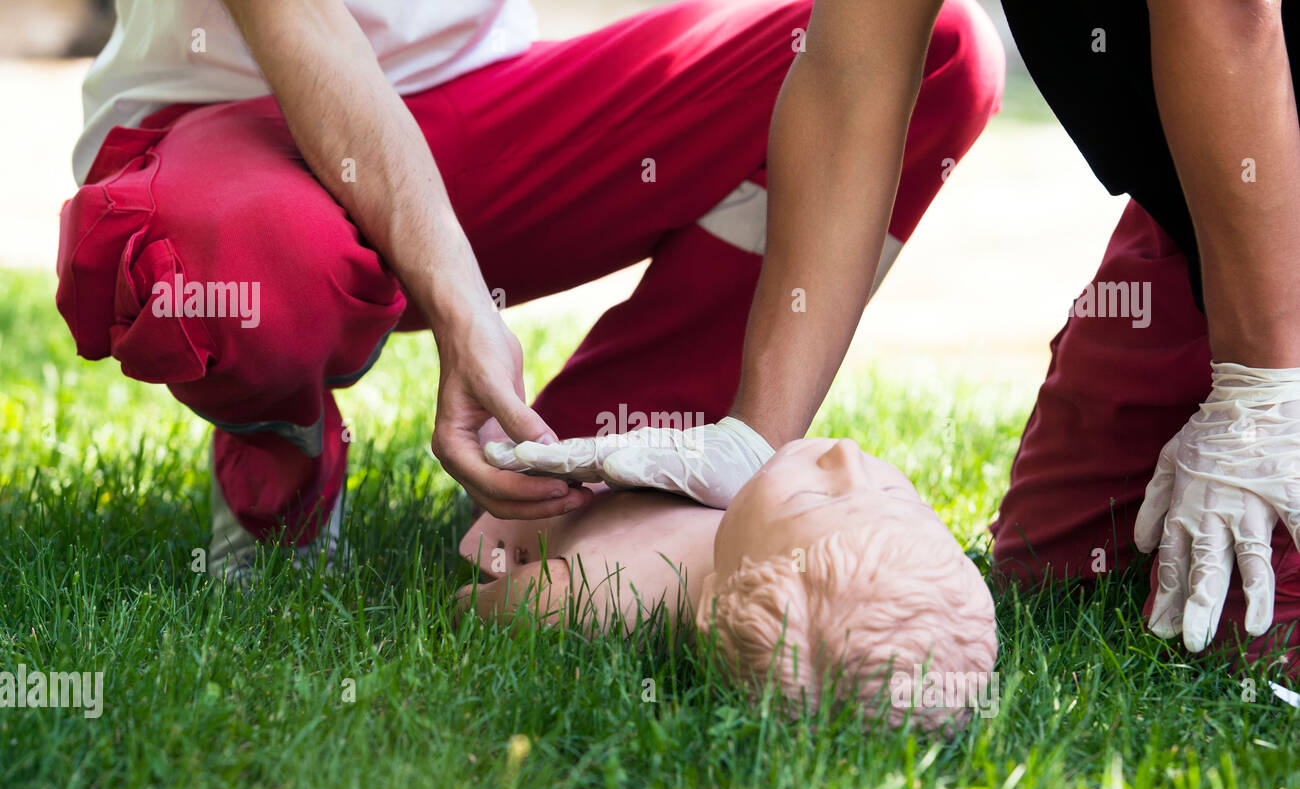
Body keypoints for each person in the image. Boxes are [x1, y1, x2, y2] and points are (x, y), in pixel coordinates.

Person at [53, 0, 1005, 581]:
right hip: (227, 137)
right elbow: (299, 21)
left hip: (477, 107)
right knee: (244, 262)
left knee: (941, 49)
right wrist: (468, 307)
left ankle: (583, 475)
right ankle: (278, 451)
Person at [505, 1, 1300, 677]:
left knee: (1257, 638)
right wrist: (757, 435)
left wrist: (1263, 389)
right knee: (1055, 573)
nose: (845, 455)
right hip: (1208, 196)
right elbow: (851, 77)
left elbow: (1228, 13)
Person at [461, 438, 997, 729]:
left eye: (814, 499)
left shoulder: (595, 596)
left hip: (518, 474)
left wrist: (493, 435)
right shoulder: (758, 532)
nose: (848, 455)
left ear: (721, 600)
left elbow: (476, 604)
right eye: (898, 498)